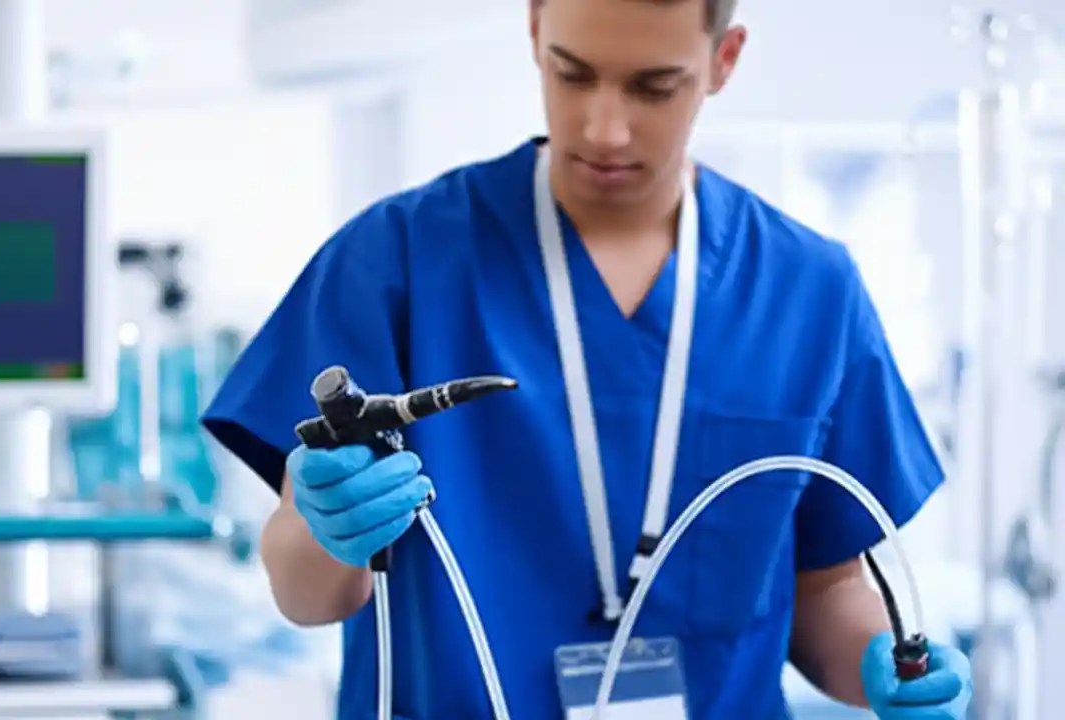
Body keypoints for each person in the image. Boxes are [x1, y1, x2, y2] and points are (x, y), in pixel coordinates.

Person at [201, 0, 974, 717]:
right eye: (574, 74)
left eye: (653, 86)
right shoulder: (396, 260)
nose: (605, 127)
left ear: (724, 59)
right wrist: (321, 527)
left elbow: (828, 582)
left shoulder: (808, 291)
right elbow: (306, 592)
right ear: (536, 28)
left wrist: (888, 665)